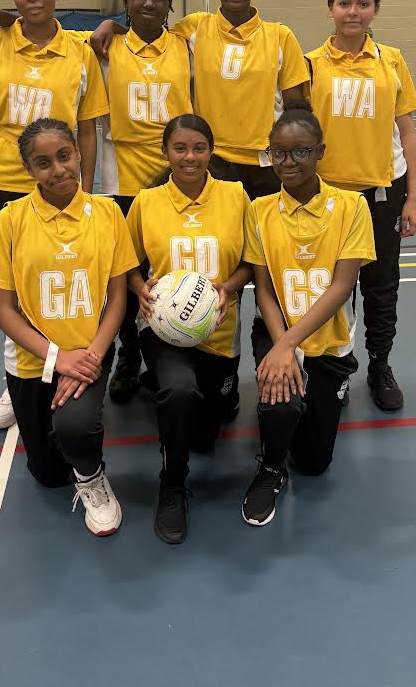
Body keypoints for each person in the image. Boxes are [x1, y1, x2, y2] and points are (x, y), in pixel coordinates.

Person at [92, 0, 309, 414]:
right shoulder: (192, 30)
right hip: (201, 164)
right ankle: (137, 356)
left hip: (256, 171)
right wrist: (110, 23)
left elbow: (297, 107)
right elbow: (142, 24)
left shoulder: (276, 36)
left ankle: (254, 357)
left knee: (251, 270)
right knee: (148, 268)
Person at [0, 0, 109, 429]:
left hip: (65, 186)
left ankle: (80, 365)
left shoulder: (79, 51)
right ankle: (17, 381)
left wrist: (84, 184)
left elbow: (87, 126)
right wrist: (2, 148)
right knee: (17, 287)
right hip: (7, 183)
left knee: (67, 281)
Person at [0, 118, 138, 536]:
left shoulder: (108, 214)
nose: (58, 169)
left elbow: (117, 300)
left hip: (88, 355)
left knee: (76, 428)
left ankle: (92, 477)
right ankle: (42, 425)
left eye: (64, 156)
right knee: (48, 475)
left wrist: (90, 356)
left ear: (79, 154)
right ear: (29, 169)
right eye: (43, 162)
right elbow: (5, 312)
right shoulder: (10, 221)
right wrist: (57, 358)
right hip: (33, 361)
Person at [241, 101, 375, 526]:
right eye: (278, 153)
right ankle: (270, 469)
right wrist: (280, 346)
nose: (288, 162)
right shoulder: (259, 210)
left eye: (300, 151)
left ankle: (325, 391)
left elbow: (342, 285)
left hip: (326, 340)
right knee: (280, 403)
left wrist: (289, 345)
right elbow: (263, 288)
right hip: (275, 327)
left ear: (320, 151)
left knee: (315, 463)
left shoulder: (352, 206)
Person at [125, 114, 251, 545]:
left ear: (211, 151)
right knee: (179, 394)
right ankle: (173, 485)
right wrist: (140, 287)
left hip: (218, 329)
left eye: (199, 148)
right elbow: (126, 262)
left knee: (206, 435)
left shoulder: (235, 196)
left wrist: (228, 287)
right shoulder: (147, 202)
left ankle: (210, 392)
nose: (190, 157)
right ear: (165, 152)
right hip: (163, 330)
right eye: (180, 148)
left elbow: (251, 261)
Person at [304, 0, 416, 411]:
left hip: (381, 195)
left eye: (363, 3)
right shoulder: (309, 63)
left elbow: (407, 133)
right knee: (333, 288)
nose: (353, 11)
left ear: (376, 9)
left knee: (380, 285)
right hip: (327, 198)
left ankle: (380, 365)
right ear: (330, 8)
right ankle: (335, 366)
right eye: (344, 3)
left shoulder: (392, 61)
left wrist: (412, 198)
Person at [98, 0, 193, 403]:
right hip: (123, 180)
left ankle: (167, 353)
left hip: (176, 180)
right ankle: (128, 355)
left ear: (171, 2)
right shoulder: (105, 46)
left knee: (168, 273)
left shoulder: (188, 46)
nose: (149, 3)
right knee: (124, 277)